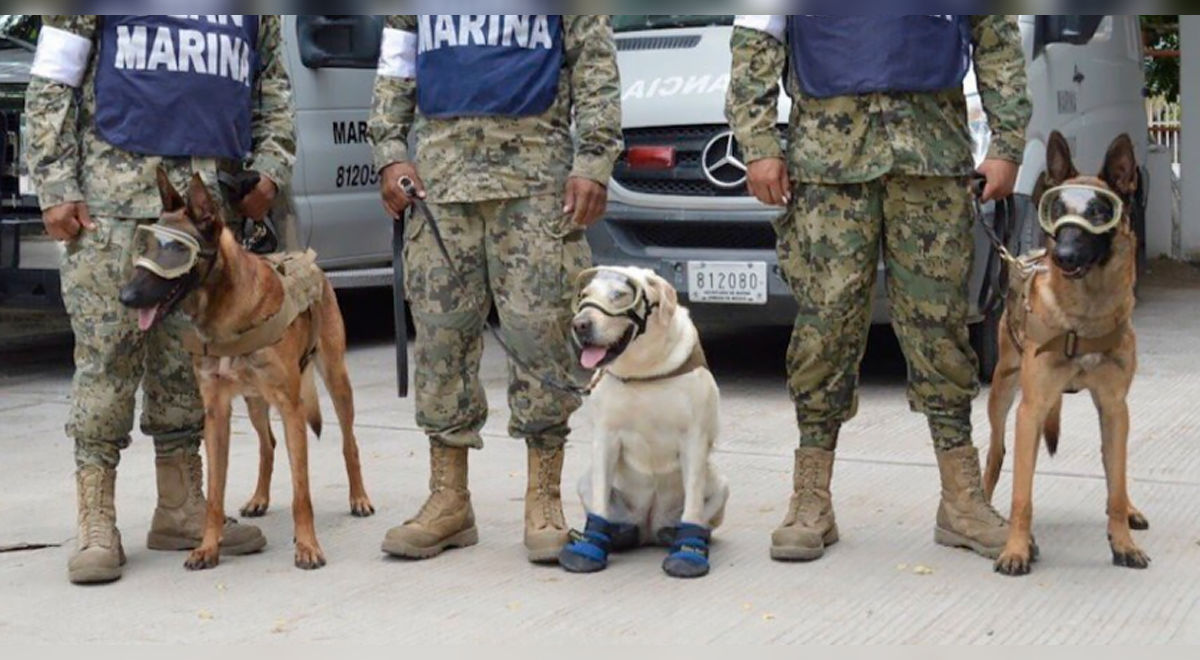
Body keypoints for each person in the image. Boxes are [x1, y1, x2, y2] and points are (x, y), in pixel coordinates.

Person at [726, 13, 1032, 562]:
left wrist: (1007, 145)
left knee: (940, 326)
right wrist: (758, 143)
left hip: (932, 158)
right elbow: (757, 36)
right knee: (825, 326)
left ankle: (961, 499)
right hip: (827, 164)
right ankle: (811, 498)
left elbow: (996, 35)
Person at [26, 14, 296, 584]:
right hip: (115, 209)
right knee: (108, 362)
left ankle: (181, 509)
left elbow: (271, 82)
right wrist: (55, 187)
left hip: (206, 219)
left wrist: (270, 171)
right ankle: (96, 520)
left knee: (189, 365)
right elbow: (53, 77)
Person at [369, 14, 623, 563]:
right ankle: (448, 500)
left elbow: (596, 66)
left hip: (536, 185)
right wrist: (389, 153)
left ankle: (544, 501)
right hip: (440, 186)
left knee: (541, 336)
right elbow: (395, 67)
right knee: (441, 343)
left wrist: (594, 163)